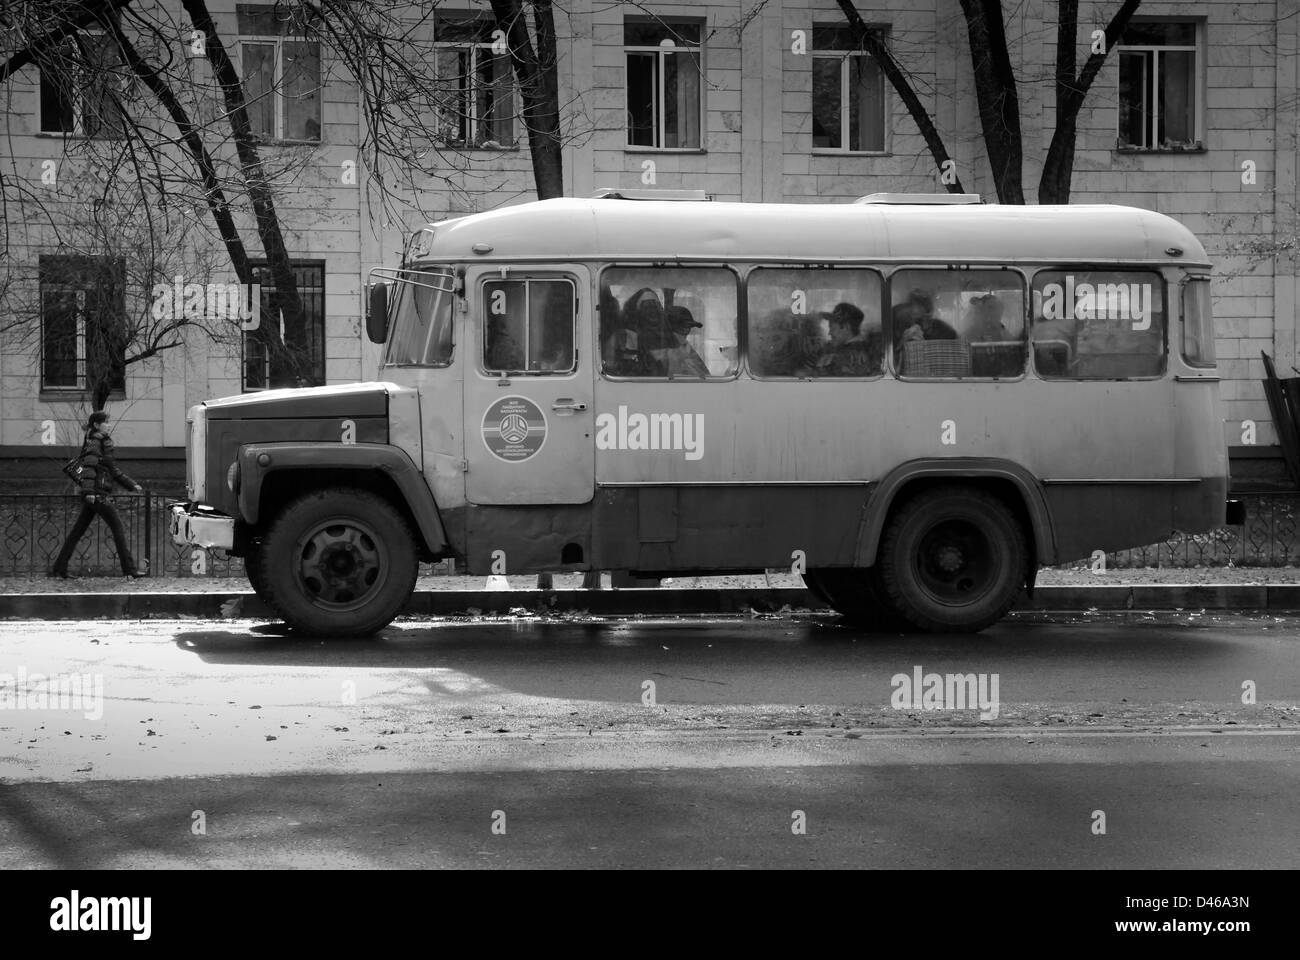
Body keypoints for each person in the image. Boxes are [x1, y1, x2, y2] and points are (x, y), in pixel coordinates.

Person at [51, 411, 146, 579]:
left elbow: (112, 469)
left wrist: (131, 485)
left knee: (77, 531)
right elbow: (89, 467)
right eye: (105, 422)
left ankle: (59, 568)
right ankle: (129, 570)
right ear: (96, 425)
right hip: (96, 494)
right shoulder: (95, 441)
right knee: (117, 528)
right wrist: (89, 492)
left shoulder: (100, 441)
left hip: (95, 494)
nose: (108, 425)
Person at [817, 302, 882, 376]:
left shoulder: (849, 354)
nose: (829, 333)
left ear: (846, 328)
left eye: (832, 328)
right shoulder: (864, 347)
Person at [658, 305, 710, 377]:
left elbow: (705, 375)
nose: (687, 331)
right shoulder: (672, 350)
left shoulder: (685, 346)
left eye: (689, 327)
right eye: (684, 328)